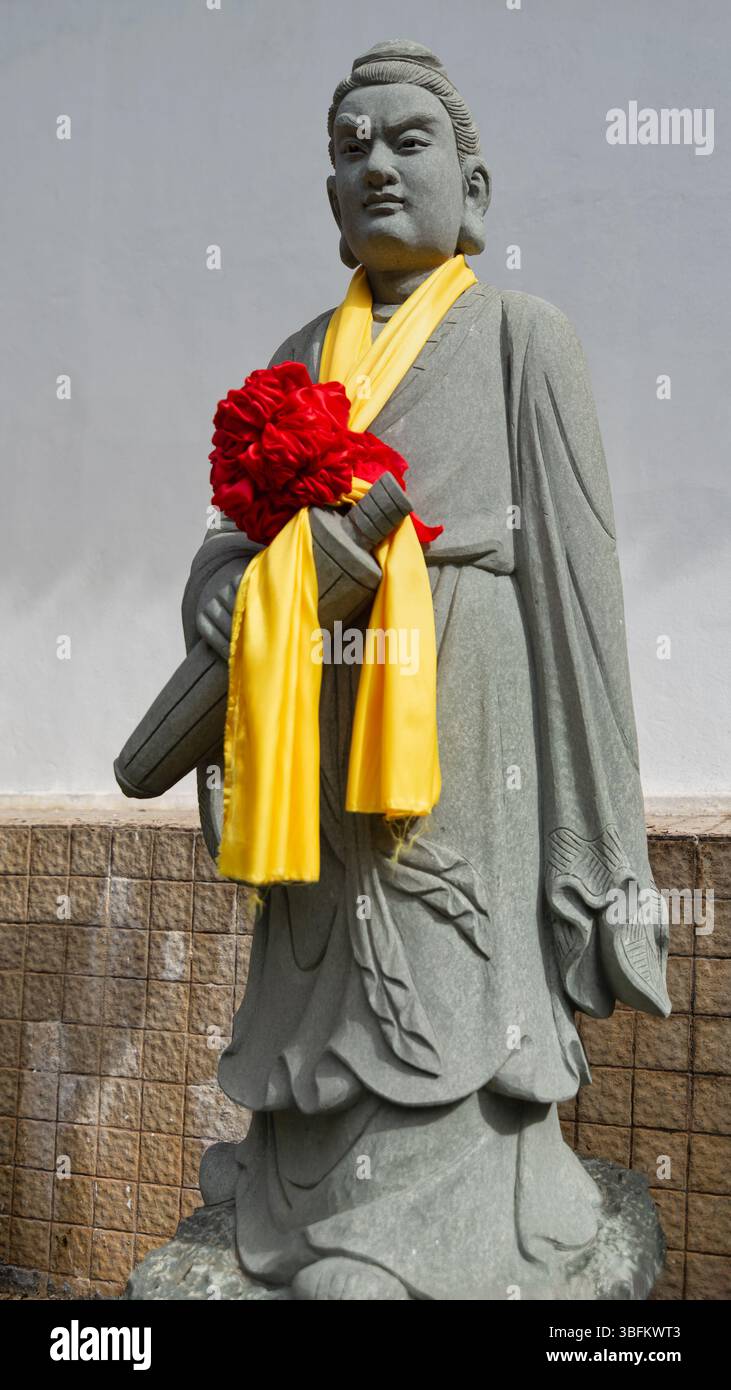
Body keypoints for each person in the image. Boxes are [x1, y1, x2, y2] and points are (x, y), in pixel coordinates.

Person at [181, 39, 670, 1301]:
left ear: (476, 188)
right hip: (315, 702)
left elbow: (580, 581)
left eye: (408, 142)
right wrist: (230, 591)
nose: (376, 167)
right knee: (320, 957)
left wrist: (601, 829)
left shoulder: (521, 337)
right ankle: (300, 1182)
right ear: (329, 201)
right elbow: (231, 543)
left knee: (452, 945)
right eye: (350, 151)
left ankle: (446, 1219)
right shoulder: (299, 354)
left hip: (465, 697)